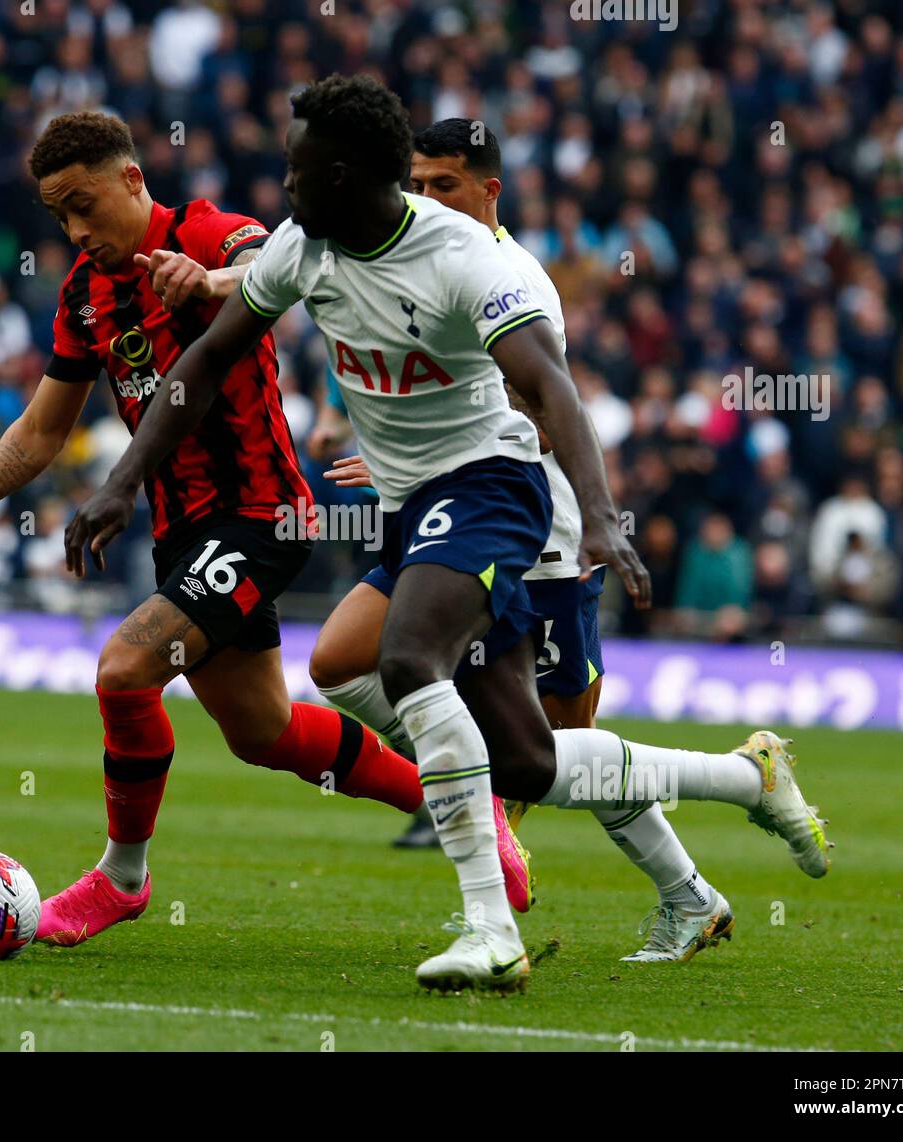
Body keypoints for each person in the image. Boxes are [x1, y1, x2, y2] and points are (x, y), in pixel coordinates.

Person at [63, 77, 833, 992]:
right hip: (415, 506)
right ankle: (752, 780)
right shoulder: (307, 248)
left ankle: (490, 930)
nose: (285, 184)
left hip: (495, 487)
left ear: (343, 172)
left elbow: (551, 388)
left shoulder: (473, 260)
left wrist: (602, 518)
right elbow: (206, 357)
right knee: (523, 757)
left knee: (408, 659)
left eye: (297, 167)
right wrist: (121, 483)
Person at [0, 110, 531, 952]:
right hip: (184, 533)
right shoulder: (83, 295)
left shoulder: (205, 231)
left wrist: (216, 278)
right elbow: (41, 431)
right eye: (58, 215)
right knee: (268, 733)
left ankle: (121, 878)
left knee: (124, 669)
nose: (76, 229)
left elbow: (269, 264)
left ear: (132, 180)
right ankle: (461, 810)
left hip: (263, 517)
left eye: (85, 204)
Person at [307, 119, 737, 964]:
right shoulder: (418, 259)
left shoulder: (509, 275)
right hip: (438, 517)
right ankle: (471, 810)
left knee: (553, 755)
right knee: (343, 662)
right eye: (417, 184)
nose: (427, 200)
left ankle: (701, 861)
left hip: (537, 536)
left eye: (445, 185)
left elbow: (541, 414)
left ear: (489, 190)